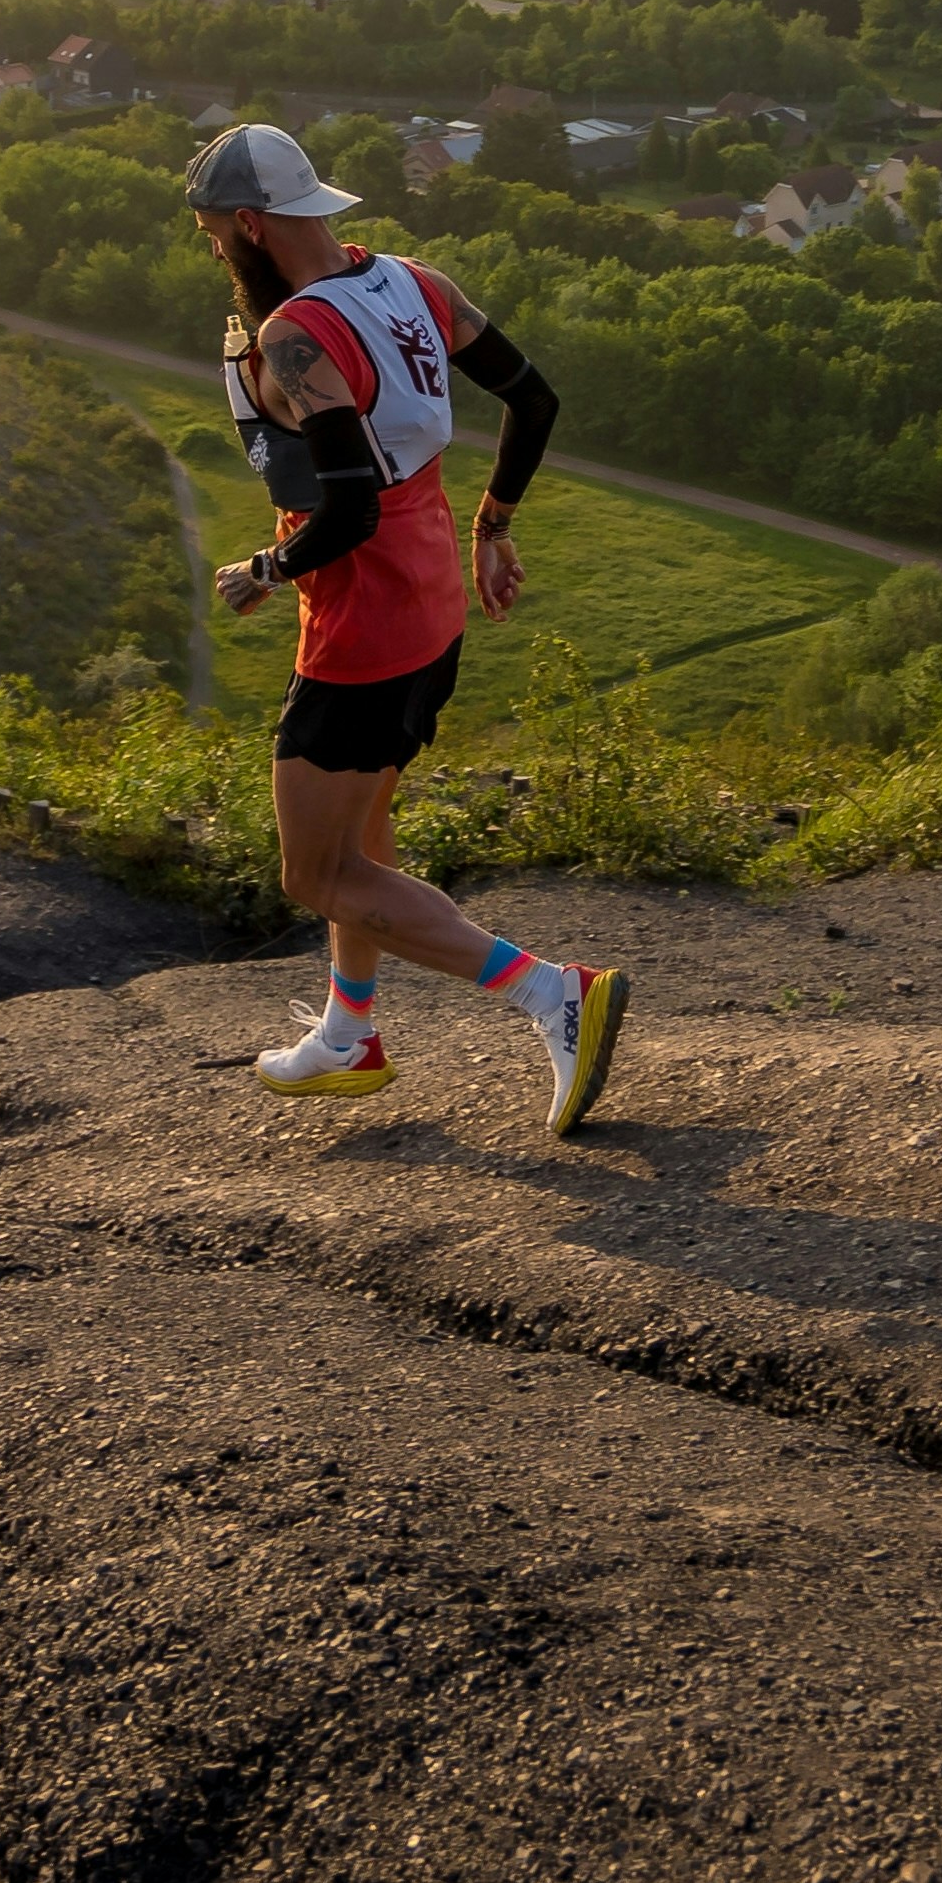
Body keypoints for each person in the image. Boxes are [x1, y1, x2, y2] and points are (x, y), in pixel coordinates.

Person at [182, 121, 628, 1139]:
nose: (214, 250)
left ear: (249, 225)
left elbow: (347, 514)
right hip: (429, 604)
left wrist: (263, 569)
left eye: (214, 235)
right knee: (362, 835)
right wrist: (494, 523)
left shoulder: (294, 337)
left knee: (314, 869)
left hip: (365, 621)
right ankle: (349, 1036)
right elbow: (534, 396)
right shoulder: (415, 282)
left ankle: (552, 993)